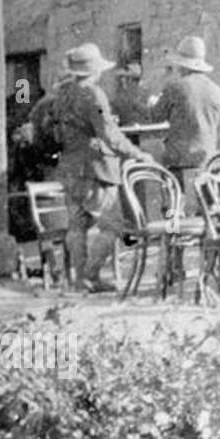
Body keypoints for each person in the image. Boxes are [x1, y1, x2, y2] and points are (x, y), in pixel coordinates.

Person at [53, 43, 153, 292]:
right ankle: (90, 275)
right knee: (113, 225)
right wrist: (138, 154)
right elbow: (109, 134)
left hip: (69, 168)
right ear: (94, 70)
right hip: (95, 169)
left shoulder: (63, 93)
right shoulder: (94, 94)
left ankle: (79, 280)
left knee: (76, 226)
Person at [151, 36, 220, 212]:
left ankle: (173, 222)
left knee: (173, 202)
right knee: (207, 206)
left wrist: (155, 101)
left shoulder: (176, 87)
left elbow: (156, 116)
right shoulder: (215, 89)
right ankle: (208, 224)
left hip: (179, 157)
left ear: (183, 65)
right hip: (208, 157)